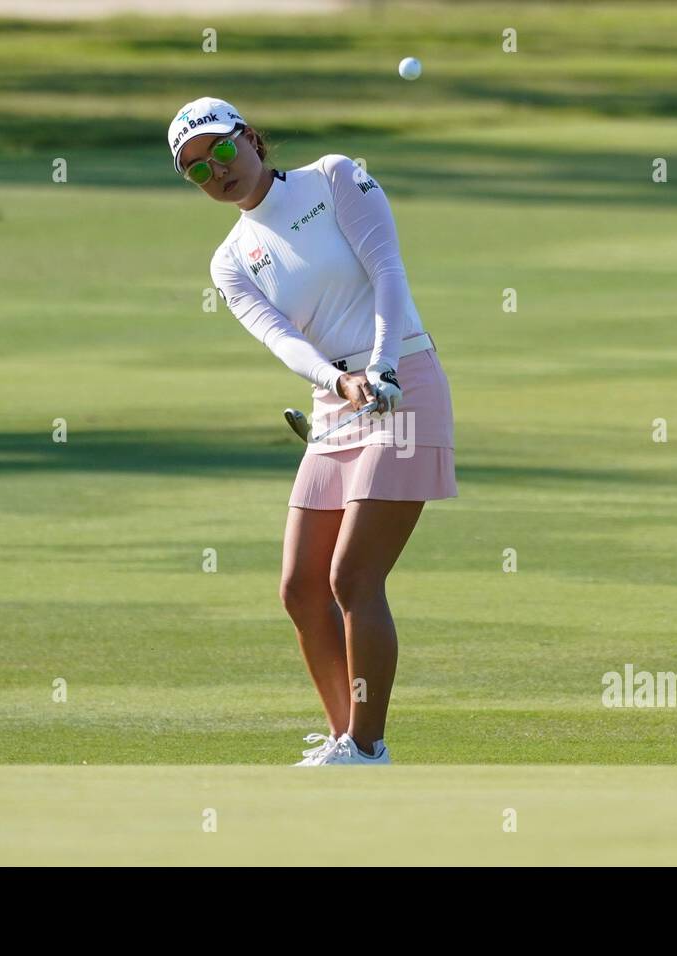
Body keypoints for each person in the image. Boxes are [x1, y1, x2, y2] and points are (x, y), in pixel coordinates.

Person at [168, 97, 456, 765]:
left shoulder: (334, 178)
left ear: (247, 138)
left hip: (405, 380)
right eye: (195, 170)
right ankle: (342, 740)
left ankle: (367, 742)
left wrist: (379, 365)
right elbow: (282, 339)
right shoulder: (231, 260)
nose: (216, 172)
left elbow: (387, 272)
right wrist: (338, 382)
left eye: (219, 151)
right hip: (338, 406)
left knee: (354, 576)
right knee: (300, 585)